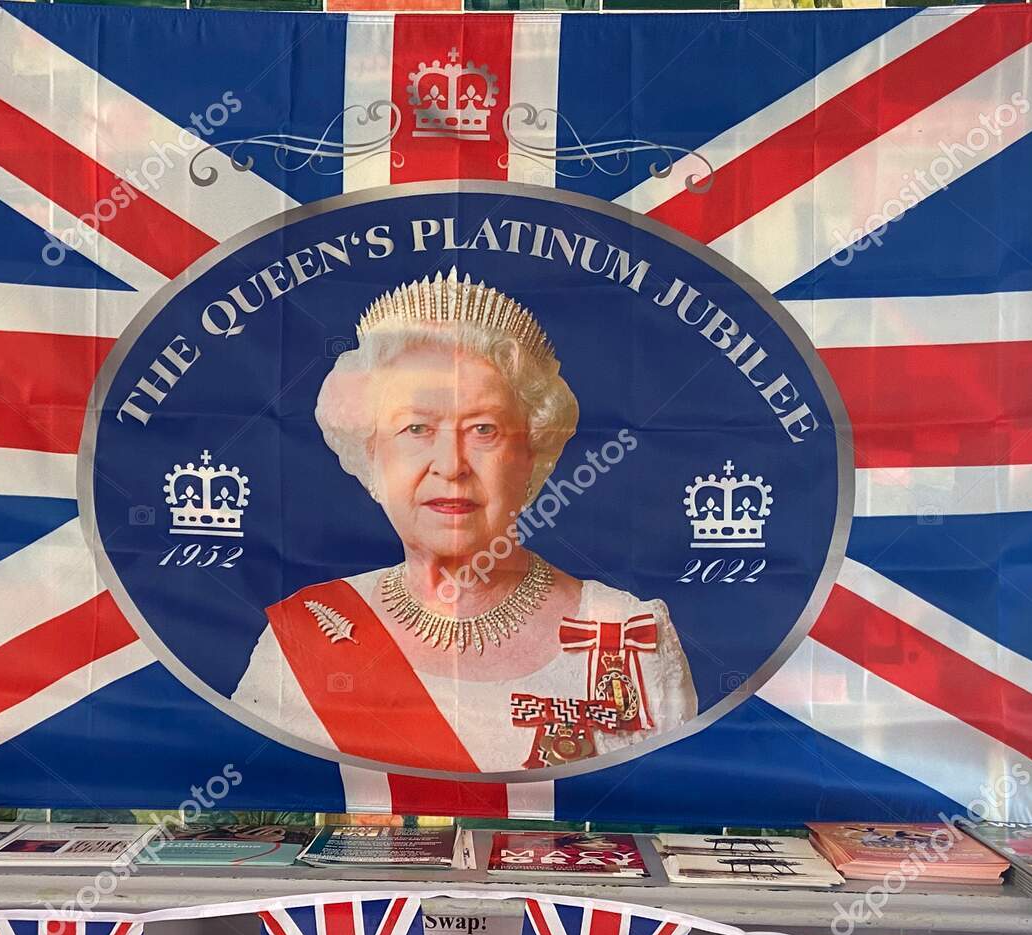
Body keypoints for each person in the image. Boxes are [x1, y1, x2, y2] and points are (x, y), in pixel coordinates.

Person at [232, 269, 696, 772]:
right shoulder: (302, 637)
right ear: (371, 458)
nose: (450, 464)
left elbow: (667, 821)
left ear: (532, 457)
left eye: (483, 429)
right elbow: (259, 815)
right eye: (416, 428)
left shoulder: (626, 632)